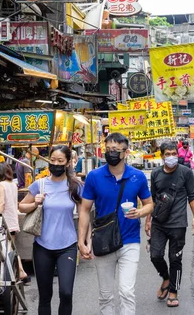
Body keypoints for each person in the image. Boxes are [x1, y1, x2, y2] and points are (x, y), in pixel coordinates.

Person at [78, 133, 154, 315]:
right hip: (104, 241)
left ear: (125, 152)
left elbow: (149, 204)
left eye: (116, 150)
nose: (111, 153)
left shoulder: (138, 177)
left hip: (130, 240)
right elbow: (84, 209)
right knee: (105, 295)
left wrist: (140, 213)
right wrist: (82, 240)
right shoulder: (94, 177)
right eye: (108, 149)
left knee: (127, 292)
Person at [19, 145, 83, 315]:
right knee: (45, 296)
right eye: (52, 160)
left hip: (68, 245)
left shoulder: (75, 185)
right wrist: (35, 203)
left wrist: (85, 241)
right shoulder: (39, 184)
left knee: (66, 293)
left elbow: (85, 214)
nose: (55, 164)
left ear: (68, 162)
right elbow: (22, 206)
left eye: (60, 161)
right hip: (42, 247)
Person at [146, 141, 194, 308]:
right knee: (155, 255)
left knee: (175, 259)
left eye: (173, 153)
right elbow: (151, 199)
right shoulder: (155, 174)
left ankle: (173, 291)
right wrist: (148, 220)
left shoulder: (186, 173)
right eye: (167, 154)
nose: (171, 157)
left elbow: (192, 196)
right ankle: (166, 278)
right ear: (161, 156)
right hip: (159, 222)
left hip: (178, 224)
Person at [0, 163, 29, 284]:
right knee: (11, 248)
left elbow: (1, 203)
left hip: (1, 222)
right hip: (12, 221)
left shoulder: (0, 185)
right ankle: (22, 272)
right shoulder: (13, 185)